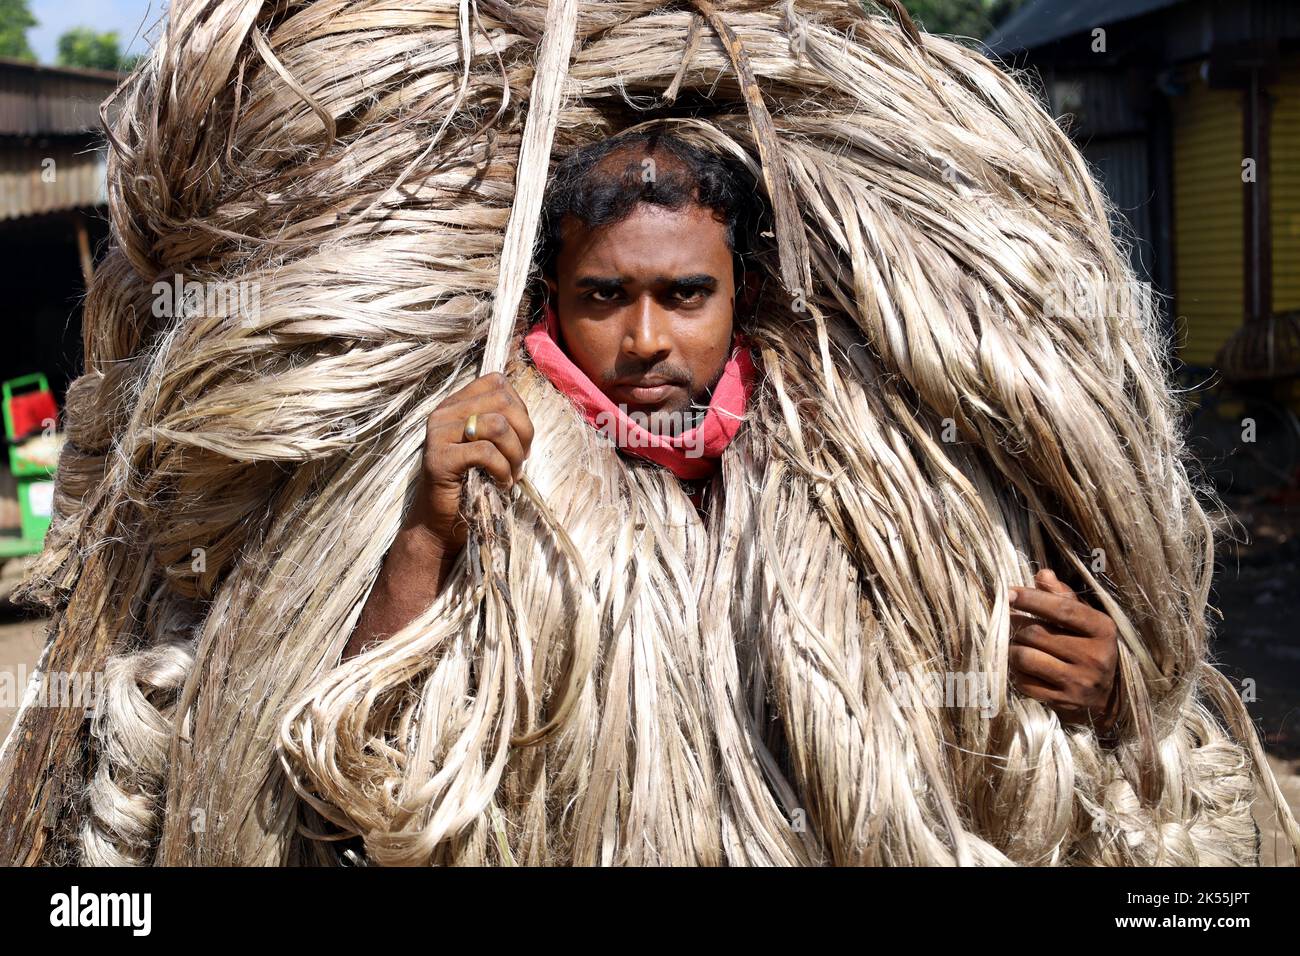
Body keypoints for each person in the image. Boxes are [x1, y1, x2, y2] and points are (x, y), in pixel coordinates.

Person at [343, 130, 1122, 738]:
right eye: (604, 296)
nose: (644, 338)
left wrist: (1108, 697)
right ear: (553, 297)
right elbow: (358, 741)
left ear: (741, 294)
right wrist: (428, 529)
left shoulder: (846, 462)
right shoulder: (497, 457)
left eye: (685, 294)